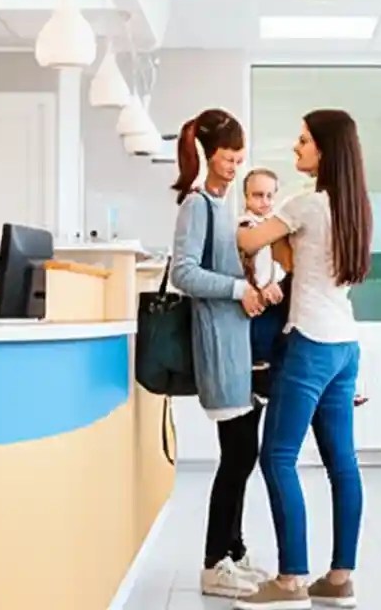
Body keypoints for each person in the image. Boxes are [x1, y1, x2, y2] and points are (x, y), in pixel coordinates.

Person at [235, 109, 373, 610]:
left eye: (303, 141)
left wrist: (246, 224)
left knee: (277, 457)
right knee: (343, 464)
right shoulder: (356, 206)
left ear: (325, 149)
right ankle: (340, 578)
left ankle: (291, 578)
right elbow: (302, 263)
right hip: (345, 346)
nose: (296, 149)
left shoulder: (308, 204)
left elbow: (248, 241)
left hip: (310, 342)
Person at [167, 109, 281, 599]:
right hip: (218, 343)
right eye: (227, 158)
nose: (234, 167)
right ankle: (215, 560)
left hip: (239, 342)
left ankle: (233, 551)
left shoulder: (222, 201)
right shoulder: (196, 204)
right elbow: (184, 274)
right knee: (238, 456)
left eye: (239, 159)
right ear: (207, 155)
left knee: (243, 453)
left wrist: (256, 287)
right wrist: (238, 288)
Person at [239, 168, 288, 387]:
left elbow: (279, 262)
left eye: (270, 196)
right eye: (258, 195)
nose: (265, 201)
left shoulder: (276, 228)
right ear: (246, 196)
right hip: (247, 302)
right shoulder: (241, 228)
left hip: (271, 299)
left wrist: (275, 282)